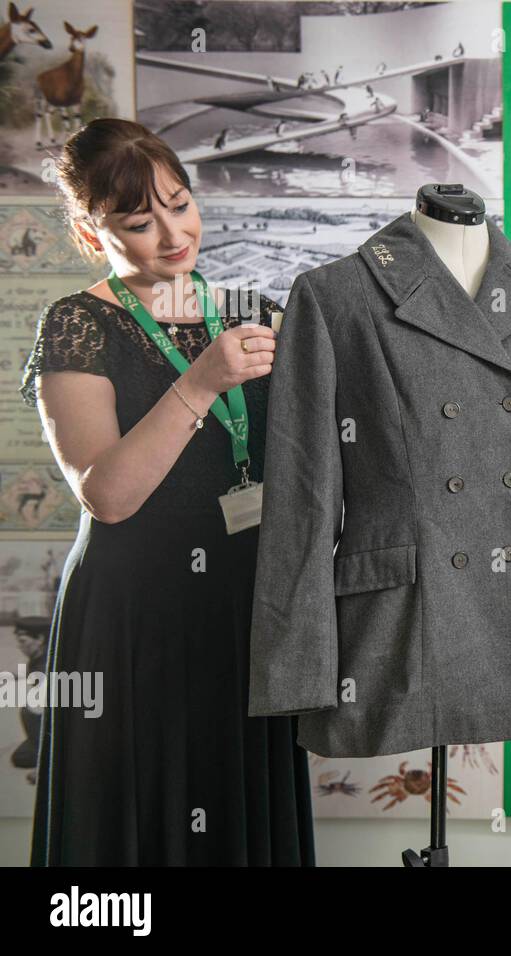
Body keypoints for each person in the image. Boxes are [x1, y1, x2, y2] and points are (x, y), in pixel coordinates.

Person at [19, 118, 314, 865]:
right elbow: (108, 496)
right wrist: (201, 379)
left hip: (244, 609)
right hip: (135, 619)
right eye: (140, 222)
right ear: (94, 234)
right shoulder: (77, 326)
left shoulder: (251, 308)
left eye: (180, 204)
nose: (174, 234)